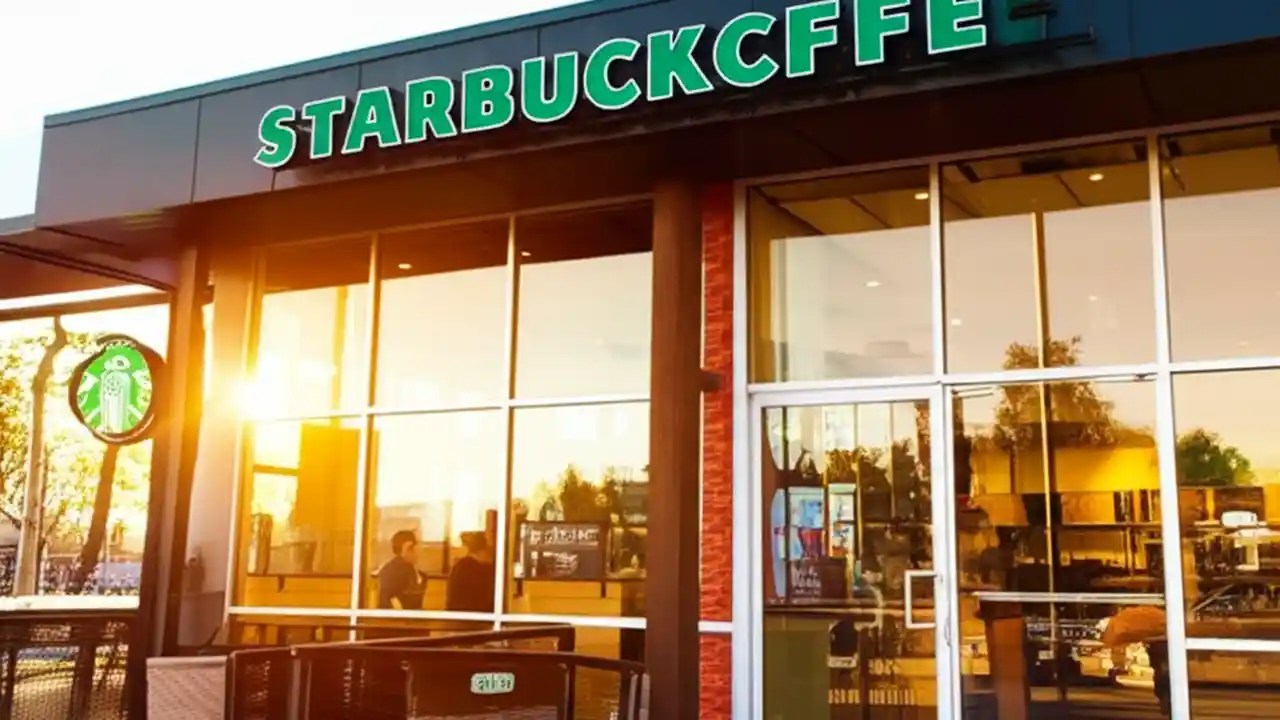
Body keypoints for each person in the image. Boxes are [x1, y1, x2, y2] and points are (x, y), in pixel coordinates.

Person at [446, 532, 495, 612]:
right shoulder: (484, 571)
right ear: (483, 551)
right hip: (475, 618)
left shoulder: (459, 566)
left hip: (458, 617)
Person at [377, 530, 426, 610]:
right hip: (397, 619)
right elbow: (387, 601)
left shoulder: (420, 574)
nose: (416, 551)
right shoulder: (390, 571)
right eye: (411, 548)